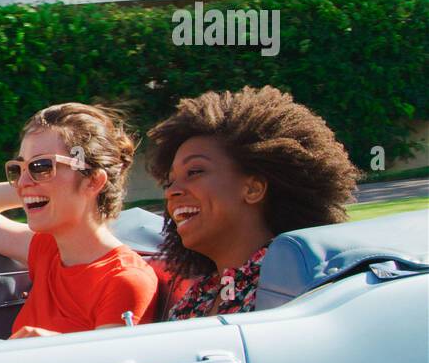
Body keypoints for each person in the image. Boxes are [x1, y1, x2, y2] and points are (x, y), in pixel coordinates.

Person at [0, 103, 157, 337]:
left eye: (42, 166)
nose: (22, 181)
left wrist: (53, 346)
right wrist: (34, 189)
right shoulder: (47, 250)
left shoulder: (124, 280)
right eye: (18, 169)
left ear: (93, 181)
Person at [147, 85, 359, 320]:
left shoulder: (297, 288)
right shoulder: (200, 296)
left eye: (194, 171)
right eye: (170, 182)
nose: (172, 192)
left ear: (253, 188)